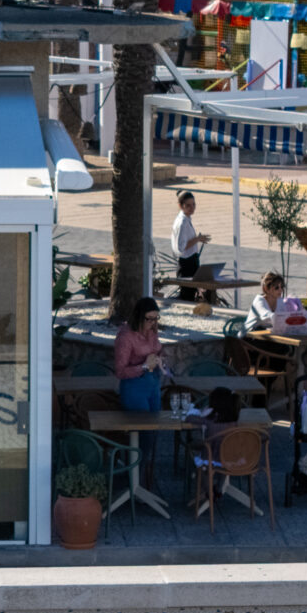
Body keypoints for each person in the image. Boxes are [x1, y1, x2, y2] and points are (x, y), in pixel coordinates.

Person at [114, 297, 166, 478]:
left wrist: (160, 359)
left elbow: (158, 349)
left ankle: (139, 475)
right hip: (135, 387)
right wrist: (144, 366)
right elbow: (120, 371)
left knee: (153, 430)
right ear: (139, 316)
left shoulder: (152, 331)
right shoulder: (126, 336)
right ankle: (132, 476)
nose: (153, 323)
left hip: (152, 384)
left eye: (156, 318)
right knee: (143, 433)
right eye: (149, 319)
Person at [171, 190, 211, 300]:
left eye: (193, 204)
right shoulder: (182, 222)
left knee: (190, 295)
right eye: (188, 205)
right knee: (187, 296)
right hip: (187, 264)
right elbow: (181, 247)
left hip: (191, 262)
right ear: (180, 206)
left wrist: (197, 239)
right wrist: (197, 239)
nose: (192, 208)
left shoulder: (185, 220)